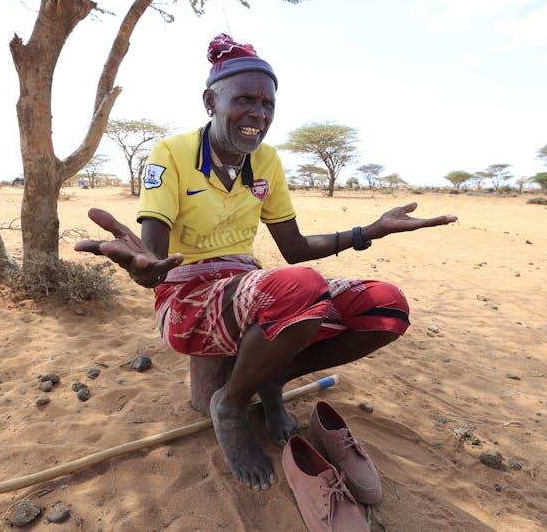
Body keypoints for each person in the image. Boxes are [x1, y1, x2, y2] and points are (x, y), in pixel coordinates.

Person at [76, 34, 457, 491]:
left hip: (249, 287)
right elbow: (155, 259)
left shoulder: (267, 161)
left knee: (386, 306)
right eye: (245, 100)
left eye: (268, 103)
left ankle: (270, 379)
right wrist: (142, 269)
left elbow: (293, 247)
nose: (258, 113)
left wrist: (367, 232)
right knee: (299, 287)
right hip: (187, 298)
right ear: (210, 101)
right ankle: (232, 404)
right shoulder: (172, 154)